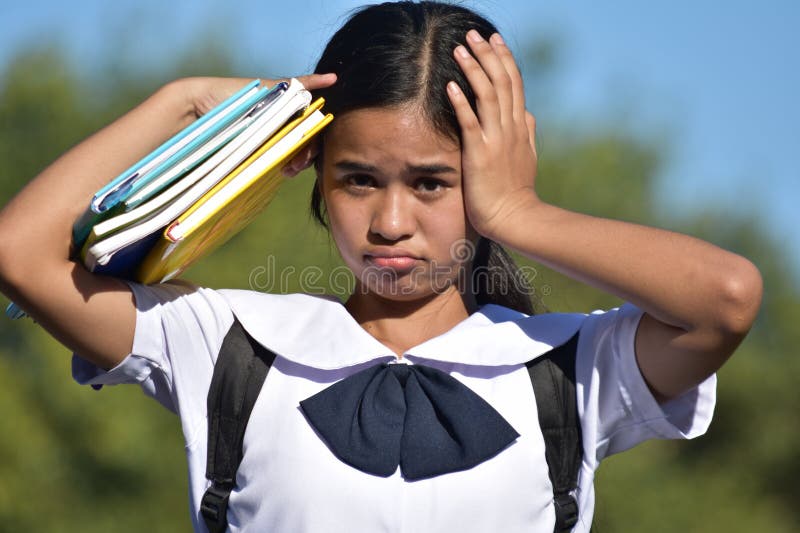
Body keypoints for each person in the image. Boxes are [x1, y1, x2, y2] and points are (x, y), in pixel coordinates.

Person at [0, 1, 762, 532]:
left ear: (487, 178)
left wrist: (520, 213)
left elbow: (726, 299)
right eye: (360, 178)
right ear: (317, 178)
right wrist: (191, 104)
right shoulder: (229, 342)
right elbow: (20, 254)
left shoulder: (568, 367)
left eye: (433, 182)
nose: (391, 222)